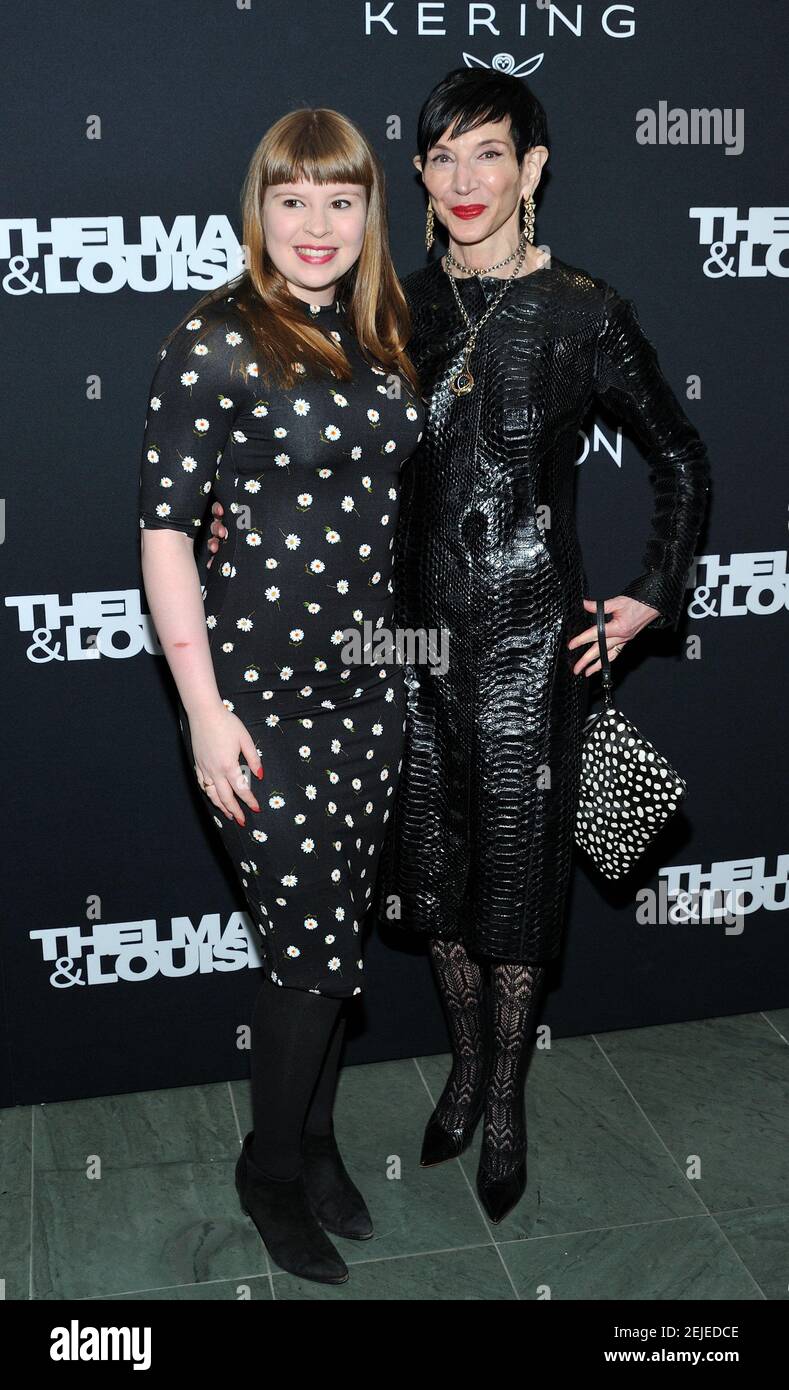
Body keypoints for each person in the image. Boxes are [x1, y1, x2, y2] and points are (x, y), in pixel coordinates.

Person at [375, 67, 711, 1224]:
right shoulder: (394, 306)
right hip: (415, 648)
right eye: (443, 156)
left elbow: (680, 456)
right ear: (419, 175)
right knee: (437, 885)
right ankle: (463, 1064)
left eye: (489, 154)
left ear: (533, 167)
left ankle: (506, 1098)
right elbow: (327, 462)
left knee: (516, 897)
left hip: (531, 650)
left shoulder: (583, 310)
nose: (466, 179)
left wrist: (649, 595)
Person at [138, 107, 424, 1283]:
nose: (316, 225)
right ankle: (268, 1169)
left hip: (372, 684)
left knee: (334, 934)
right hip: (258, 699)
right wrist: (204, 711)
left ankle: (310, 1138)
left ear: (369, 213)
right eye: (293, 199)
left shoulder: (381, 333)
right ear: (258, 208)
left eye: (341, 200)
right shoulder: (214, 340)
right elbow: (164, 534)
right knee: (309, 955)